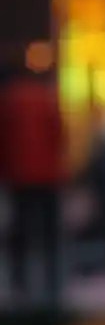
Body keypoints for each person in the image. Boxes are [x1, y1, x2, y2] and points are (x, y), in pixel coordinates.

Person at [0, 70, 67, 312]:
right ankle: (53, 284)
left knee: (21, 229)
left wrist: (6, 171)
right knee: (49, 231)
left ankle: (21, 284)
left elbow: (3, 140)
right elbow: (58, 133)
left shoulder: (7, 100)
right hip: (48, 174)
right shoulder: (45, 96)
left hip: (19, 176)